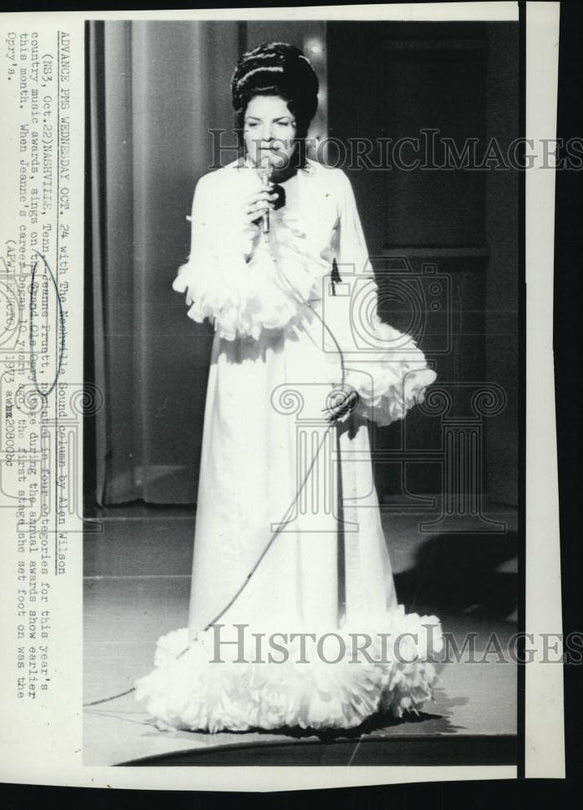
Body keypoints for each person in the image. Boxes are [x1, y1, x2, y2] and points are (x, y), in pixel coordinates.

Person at [135, 42, 442, 733]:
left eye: (280, 121)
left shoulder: (332, 187)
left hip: (315, 373)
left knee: (316, 522)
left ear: (303, 122)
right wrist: (245, 238)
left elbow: (357, 287)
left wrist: (360, 378)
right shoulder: (214, 190)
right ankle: (243, 672)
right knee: (248, 510)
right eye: (252, 122)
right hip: (246, 376)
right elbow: (211, 295)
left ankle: (323, 675)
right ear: (237, 125)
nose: (266, 135)